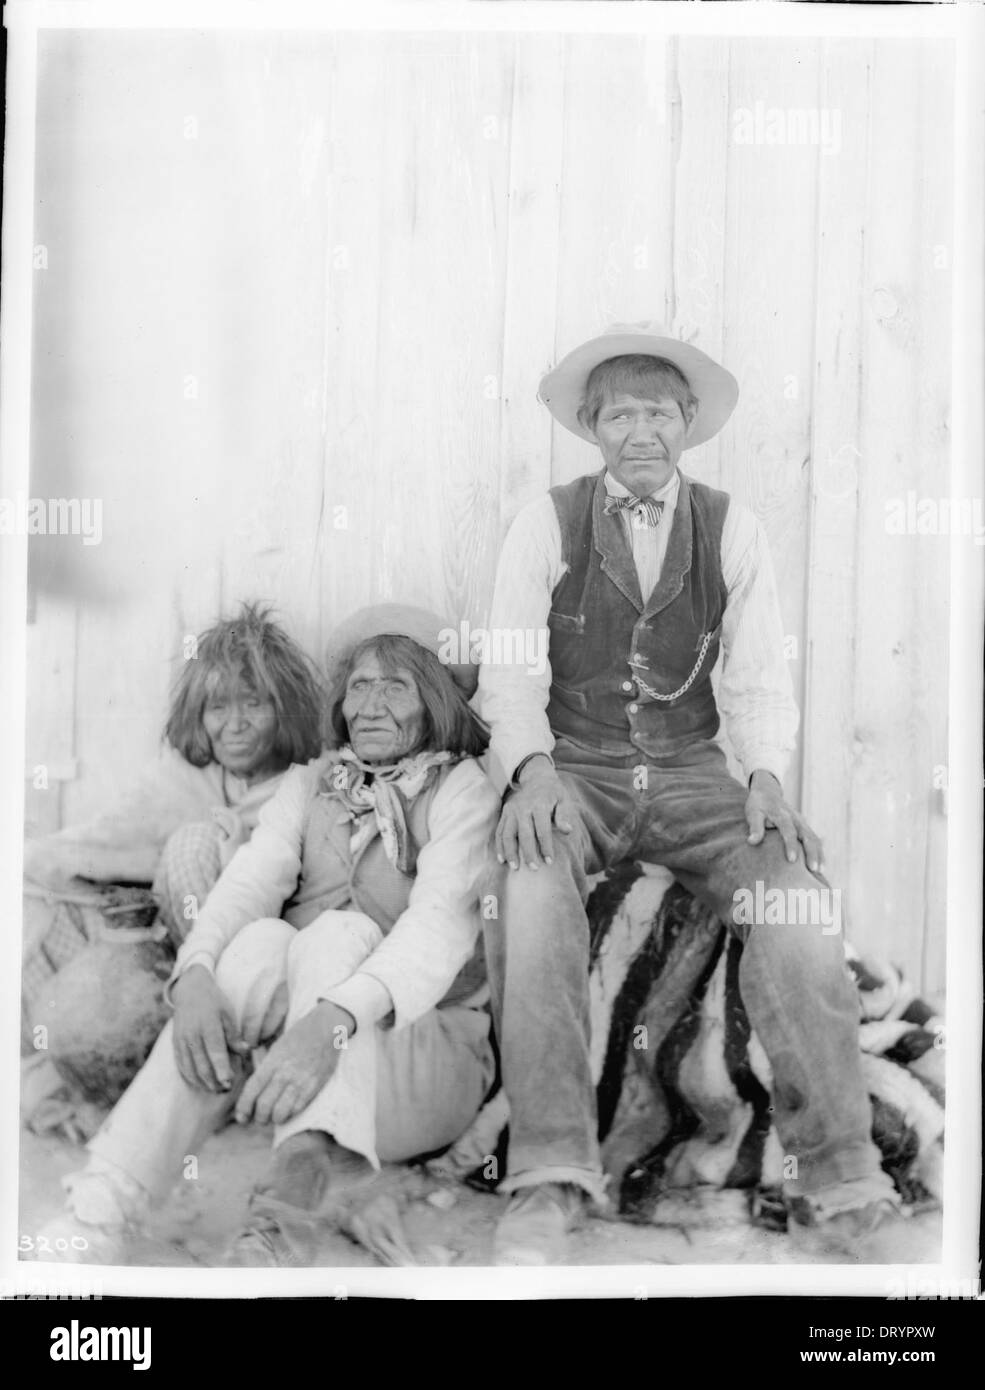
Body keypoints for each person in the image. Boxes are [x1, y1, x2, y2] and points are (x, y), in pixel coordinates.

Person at [478, 321, 925, 1265]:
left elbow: (760, 679)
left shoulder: (733, 526)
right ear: (592, 430)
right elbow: (510, 674)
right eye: (617, 415)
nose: (639, 431)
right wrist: (529, 772)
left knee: (794, 897)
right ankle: (551, 1173)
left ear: (687, 424)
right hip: (579, 769)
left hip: (692, 772)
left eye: (657, 413)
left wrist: (764, 775)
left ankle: (840, 1178)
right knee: (527, 885)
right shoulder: (543, 520)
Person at [40, 604, 498, 1267]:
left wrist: (333, 1021)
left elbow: (434, 932)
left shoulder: (462, 792)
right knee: (252, 943)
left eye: (395, 686)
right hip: (300, 1069)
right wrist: (194, 972)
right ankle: (104, 1203)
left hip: (420, 1074)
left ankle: (286, 1215)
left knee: (338, 932)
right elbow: (249, 882)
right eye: (360, 686)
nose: (370, 705)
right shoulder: (312, 783)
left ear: (433, 703)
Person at [22, 602, 325, 1129]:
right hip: (168, 958)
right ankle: (61, 1081)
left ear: (285, 709)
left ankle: (228, 1067)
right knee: (30, 904)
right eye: (216, 708)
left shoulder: (306, 785)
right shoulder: (186, 776)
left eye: (253, 704)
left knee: (191, 844)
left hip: (247, 974)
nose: (233, 725)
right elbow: (104, 841)